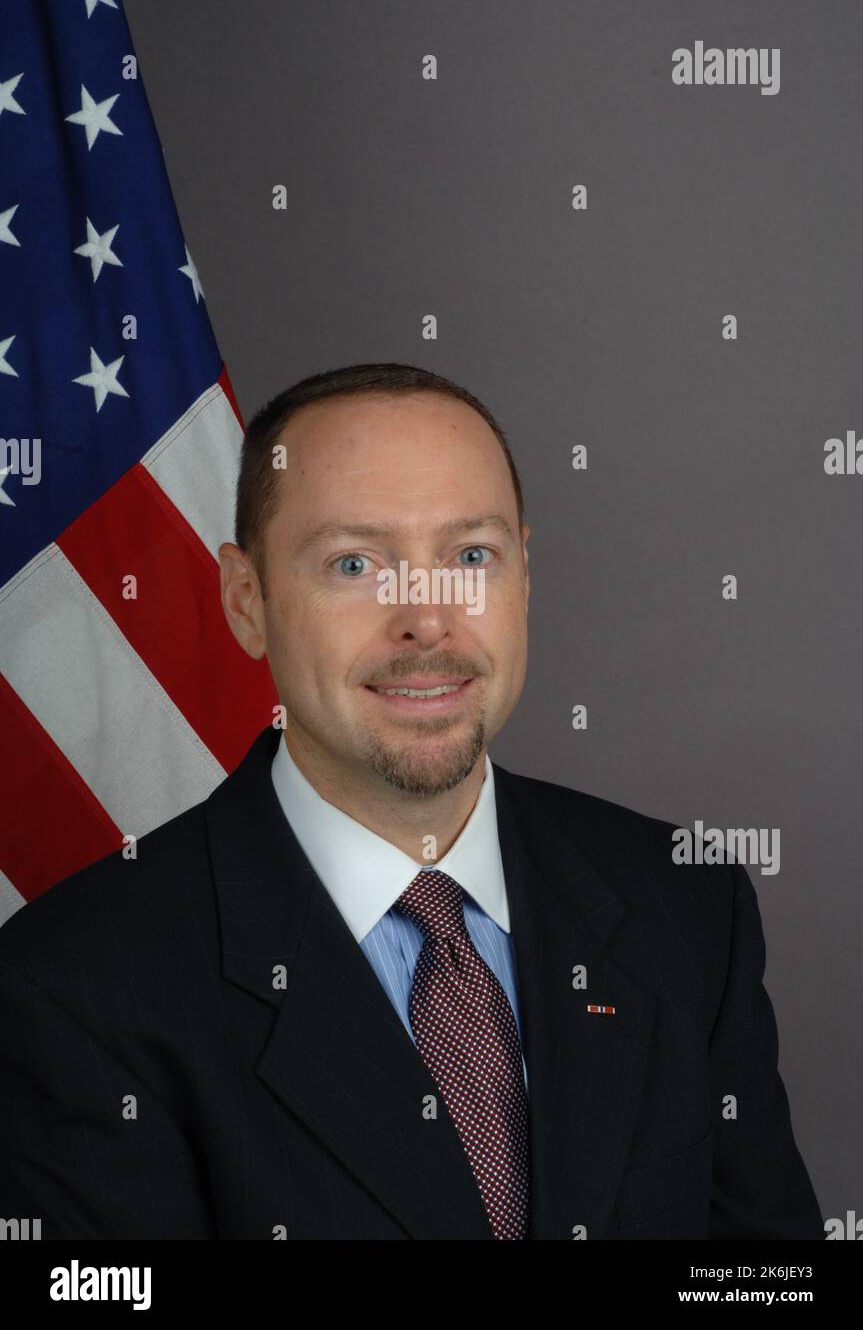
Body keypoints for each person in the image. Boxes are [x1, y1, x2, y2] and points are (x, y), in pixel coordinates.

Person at [0, 362, 823, 1239]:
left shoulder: (686, 905)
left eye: (470, 556)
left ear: (524, 578)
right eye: (355, 563)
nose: (426, 620)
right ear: (246, 602)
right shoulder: (73, 989)